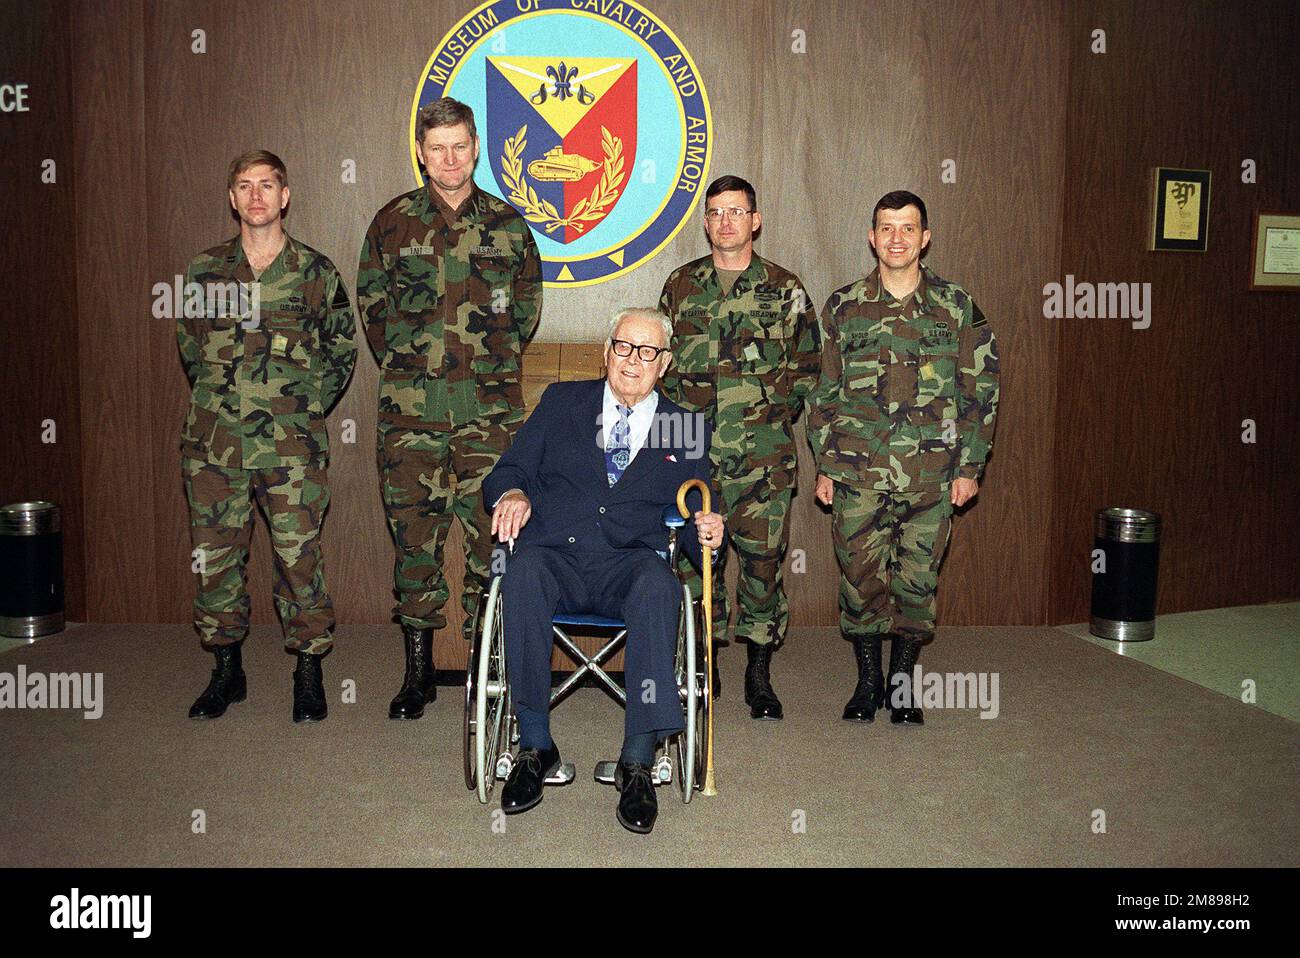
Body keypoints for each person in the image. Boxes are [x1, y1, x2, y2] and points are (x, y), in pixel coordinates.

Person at [483, 307, 726, 834]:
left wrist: (704, 529)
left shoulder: (682, 427)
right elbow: (510, 468)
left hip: (631, 563)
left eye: (646, 352)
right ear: (606, 351)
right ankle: (534, 748)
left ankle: (636, 761)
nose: (632, 361)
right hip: (556, 556)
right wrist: (515, 492)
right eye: (622, 347)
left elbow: (690, 513)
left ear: (664, 363)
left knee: (661, 587)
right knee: (520, 575)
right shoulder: (562, 402)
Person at [357, 97, 543, 720]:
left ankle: (487, 668)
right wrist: (418, 374)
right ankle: (416, 671)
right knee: (416, 544)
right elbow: (374, 315)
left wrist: (482, 370)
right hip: (412, 415)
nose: (449, 159)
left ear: (476, 147)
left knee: (494, 542)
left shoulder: (509, 226)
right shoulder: (392, 224)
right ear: (421, 152)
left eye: (460, 146)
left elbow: (524, 313)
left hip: (490, 414)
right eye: (437, 148)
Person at [807, 190, 1000, 725]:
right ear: (872, 237)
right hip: (855, 471)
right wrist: (824, 464)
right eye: (886, 228)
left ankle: (903, 685)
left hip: (930, 475)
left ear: (925, 237)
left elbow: (980, 392)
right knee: (861, 578)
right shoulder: (843, 306)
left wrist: (969, 468)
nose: (896, 238)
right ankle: (868, 682)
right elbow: (823, 392)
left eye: (907, 228)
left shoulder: (956, 307)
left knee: (917, 580)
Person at [178, 149, 356, 724]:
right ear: (232, 198)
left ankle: (308, 671)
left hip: (291, 448)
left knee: (298, 559)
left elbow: (342, 349)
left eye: (268, 185)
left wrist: (302, 409)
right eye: (245, 186)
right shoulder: (203, 272)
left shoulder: (316, 273)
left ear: (285, 197)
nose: (257, 196)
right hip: (214, 445)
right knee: (216, 561)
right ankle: (226, 672)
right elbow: (191, 349)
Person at [658, 175, 819, 720]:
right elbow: (662, 368)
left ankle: (759, 671)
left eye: (737, 212)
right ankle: (703, 662)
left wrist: (769, 415)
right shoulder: (680, 286)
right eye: (716, 213)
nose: (726, 221)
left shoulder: (786, 288)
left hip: (762, 457)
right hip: (694, 454)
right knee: (696, 561)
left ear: (755, 221)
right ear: (706, 223)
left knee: (762, 563)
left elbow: (808, 366)